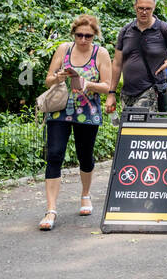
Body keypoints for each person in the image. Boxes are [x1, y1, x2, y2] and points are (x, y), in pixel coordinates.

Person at [40, 15, 113, 231]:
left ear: (94, 35)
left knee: (85, 155)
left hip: (87, 112)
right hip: (60, 109)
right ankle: (51, 209)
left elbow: (107, 85)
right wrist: (59, 77)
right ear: (73, 34)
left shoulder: (101, 53)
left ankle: (85, 194)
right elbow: (48, 79)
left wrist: (86, 83)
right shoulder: (64, 49)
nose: (83, 39)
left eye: (88, 36)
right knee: (54, 154)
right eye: (79, 35)